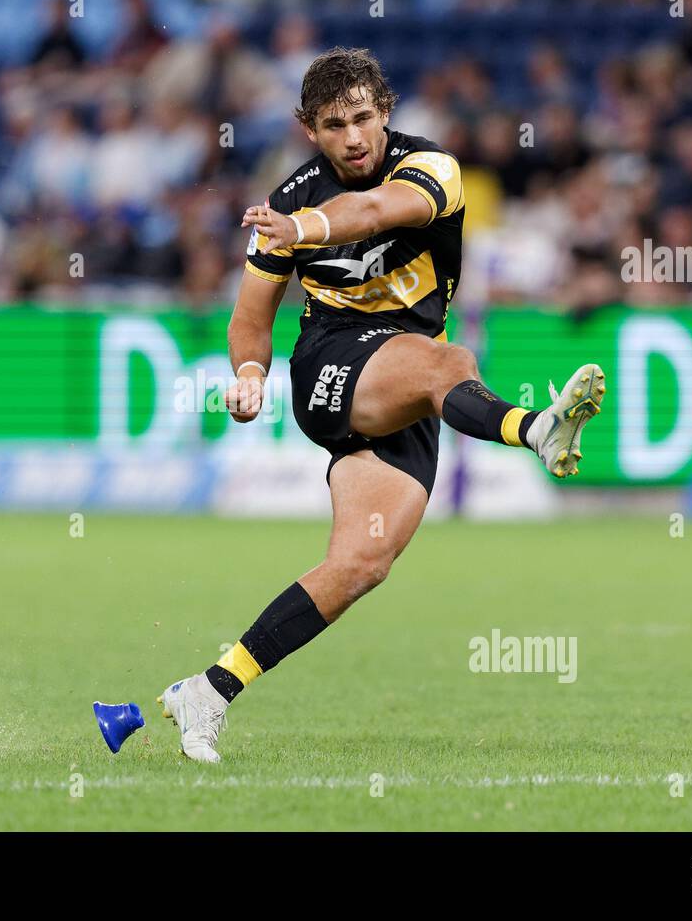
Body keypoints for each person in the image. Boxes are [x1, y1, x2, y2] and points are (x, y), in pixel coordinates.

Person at [156, 48, 605, 761]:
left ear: (386, 114)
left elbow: (372, 210)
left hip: (404, 386)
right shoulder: (287, 201)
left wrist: (300, 229)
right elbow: (251, 315)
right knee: (450, 362)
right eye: (335, 125)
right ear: (310, 130)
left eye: (364, 118)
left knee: (361, 565)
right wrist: (247, 371)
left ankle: (208, 692)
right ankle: (537, 429)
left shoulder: (432, 171)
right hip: (330, 368)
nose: (354, 137)